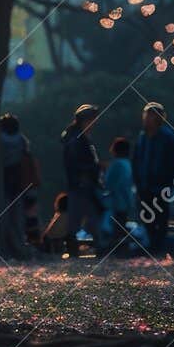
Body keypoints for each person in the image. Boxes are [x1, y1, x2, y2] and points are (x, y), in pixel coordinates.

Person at [134, 102, 174, 254]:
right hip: (145, 186)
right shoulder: (142, 137)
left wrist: (172, 183)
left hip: (162, 186)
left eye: (149, 115)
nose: (146, 118)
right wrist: (138, 182)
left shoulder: (168, 137)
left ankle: (158, 246)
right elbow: (136, 161)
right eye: (145, 115)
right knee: (147, 216)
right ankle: (154, 245)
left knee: (161, 217)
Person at [60, 104, 101, 243]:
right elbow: (77, 163)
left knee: (82, 216)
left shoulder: (77, 136)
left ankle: (79, 244)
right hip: (82, 183)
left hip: (80, 183)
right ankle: (98, 243)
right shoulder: (77, 139)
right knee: (86, 215)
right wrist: (94, 168)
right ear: (86, 120)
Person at [104, 137, 135, 240]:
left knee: (116, 228)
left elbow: (108, 184)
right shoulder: (127, 163)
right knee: (122, 225)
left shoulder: (116, 164)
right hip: (126, 200)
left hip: (115, 202)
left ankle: (115, 245)